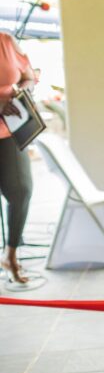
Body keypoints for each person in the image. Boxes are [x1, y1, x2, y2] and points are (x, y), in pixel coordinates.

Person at [0, 32, 35, 286]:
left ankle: (10, 254)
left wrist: (24, 90)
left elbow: (28, 75)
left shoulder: (6, 41)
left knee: (22, 190)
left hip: (7, 129)